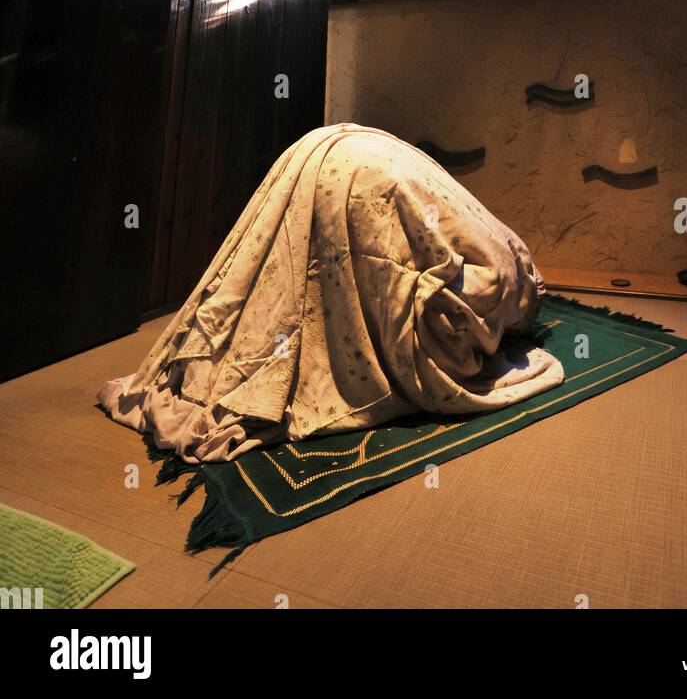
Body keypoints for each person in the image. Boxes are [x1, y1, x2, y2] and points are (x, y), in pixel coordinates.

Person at [99, 124, 563, 462]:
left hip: (334, 152)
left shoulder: (500, 261)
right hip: (347, 165)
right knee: (340, 273)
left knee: (321, 274)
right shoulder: (504, 267)